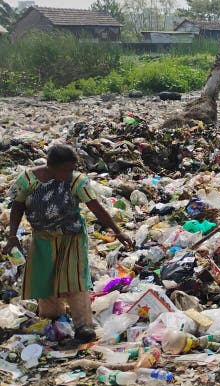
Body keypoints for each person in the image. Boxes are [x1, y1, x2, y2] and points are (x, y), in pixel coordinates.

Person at [5, 144, 133, 342]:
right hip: (43, 238)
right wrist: (12, 235)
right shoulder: (28, 180)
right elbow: (17, 206)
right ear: (51, 167)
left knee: (74, 279)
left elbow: (96, 208)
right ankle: (53, 320)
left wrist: (118, 231)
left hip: (71, 237)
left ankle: (83, 325)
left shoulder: (76, 182)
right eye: (66, 169)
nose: (69, 173)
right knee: (46, 280)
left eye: (72, 169)